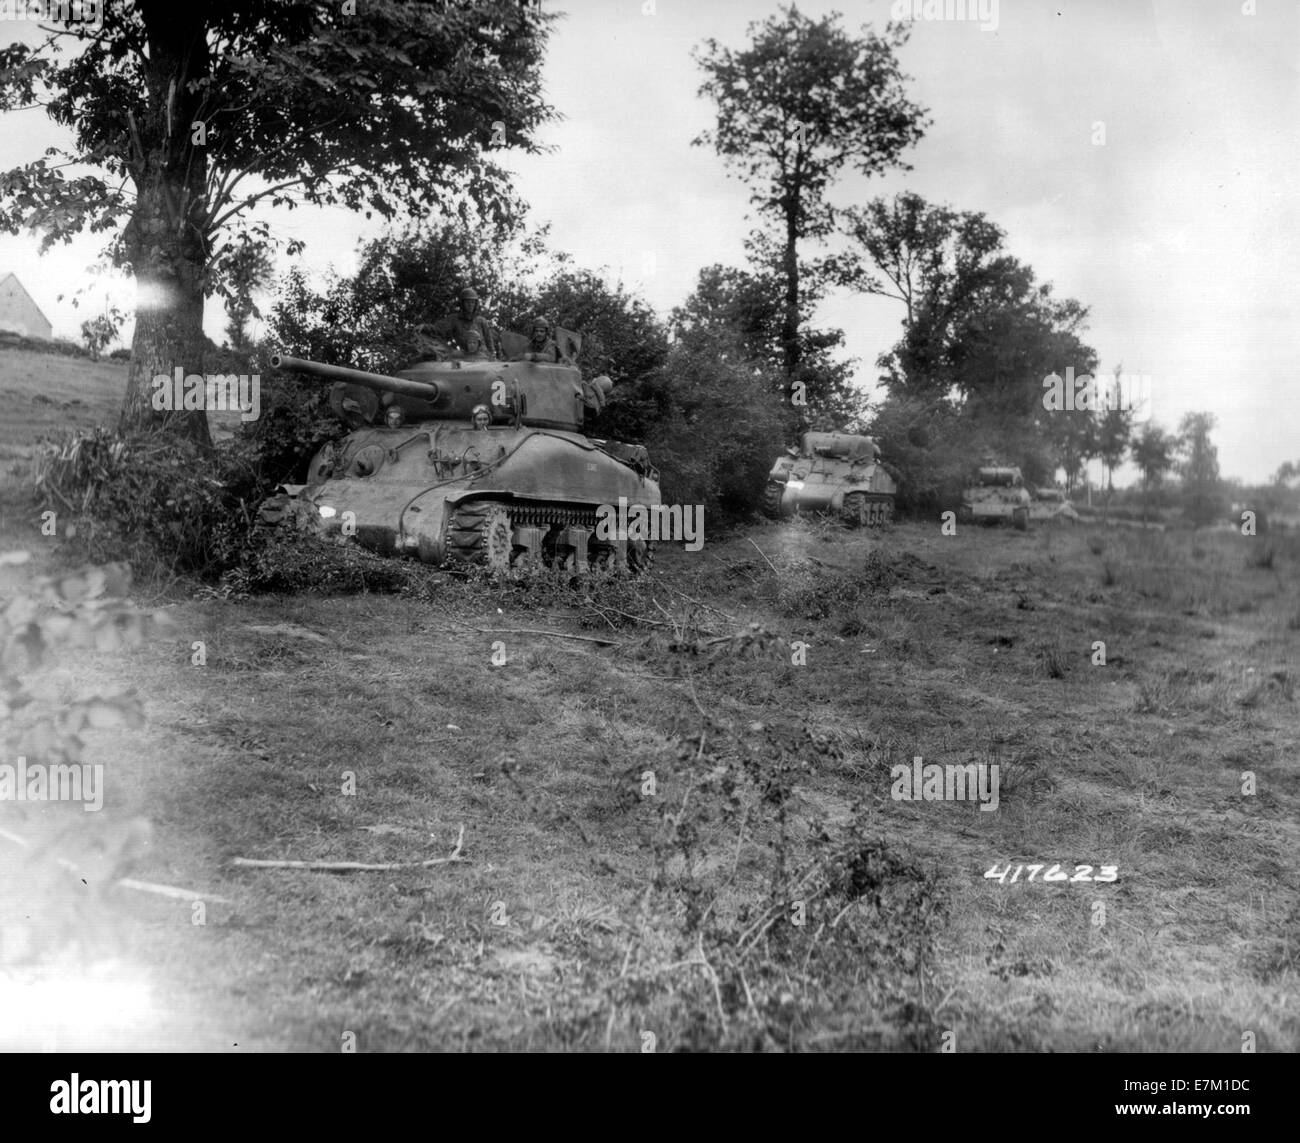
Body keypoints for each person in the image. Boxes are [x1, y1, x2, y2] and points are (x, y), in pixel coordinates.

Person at [432, 287, 499, 360]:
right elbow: (438, 329)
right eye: (467, 302)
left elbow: (489, 341)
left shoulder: (481, 321)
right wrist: (426, 327)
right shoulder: (454, 319)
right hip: (464, 357)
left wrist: (493, 355)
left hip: (482, 357)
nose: (470, 305)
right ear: (462, 304)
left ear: (476, 304)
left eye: (472, 302)